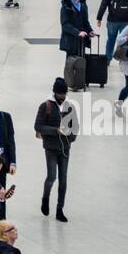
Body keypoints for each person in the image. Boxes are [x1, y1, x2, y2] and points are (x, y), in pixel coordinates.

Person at [34, 77, 76, 222]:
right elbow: (38, 126)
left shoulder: (69, 107)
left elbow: (75, 127)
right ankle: (45, 198)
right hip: (51, 148)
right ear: (54, 92)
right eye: (60, 94)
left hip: (65, 149)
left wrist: (70, 138)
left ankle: (60, 209)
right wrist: (55, 131)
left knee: (63, 179)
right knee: (52, 176)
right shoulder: (45, 106)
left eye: (64, 94)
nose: (62, 96)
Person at [59, 0, 95, 74]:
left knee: (81, 63)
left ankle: (80, 79)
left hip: (81, 40)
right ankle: (69, 79)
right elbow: (65, 24)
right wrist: (77, 32)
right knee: (70, 64)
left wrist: (90, 31)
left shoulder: (83, 5)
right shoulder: (65, 6)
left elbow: (85, 22)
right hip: (70, 40)